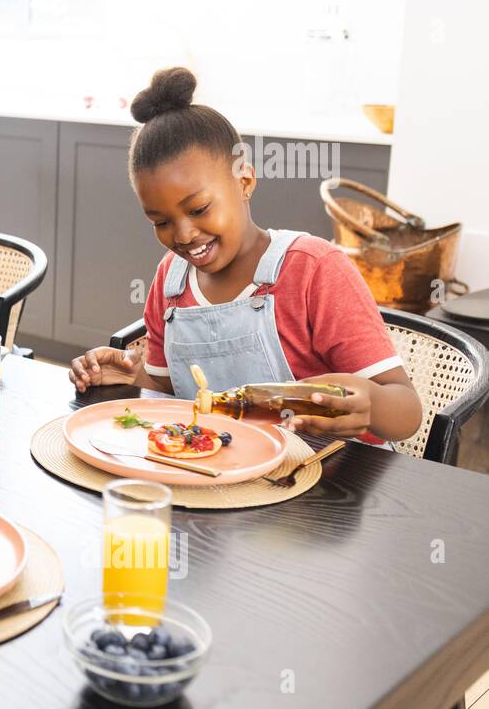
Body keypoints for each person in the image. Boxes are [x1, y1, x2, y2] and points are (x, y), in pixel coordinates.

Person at [68, 67, 422, 444]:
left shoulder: (313, 270)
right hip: (215, 478)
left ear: (245, 181)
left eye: (200, 208)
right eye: (160, 221)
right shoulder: (171, 279)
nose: (184, 234)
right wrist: (131, 379)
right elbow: (171, 391)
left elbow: (408, 412)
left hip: (321, 484)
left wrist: (370, 402)